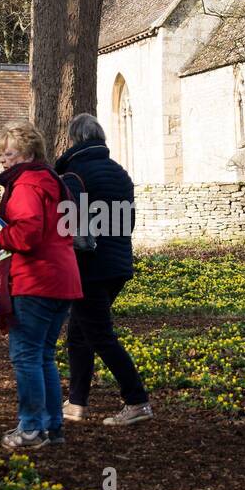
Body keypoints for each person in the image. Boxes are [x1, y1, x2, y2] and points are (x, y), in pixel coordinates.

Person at [54, 113, 153, 426]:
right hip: (118, 264)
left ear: (74, 139)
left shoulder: (74, 174)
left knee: (99, 335)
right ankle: (76, 402)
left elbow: (67, 225)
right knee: (80, 332)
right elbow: (129, 222)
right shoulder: (120, 173)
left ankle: (137, 401)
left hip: (87, 267)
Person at [0, 122, 82, 449]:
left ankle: (30, 429)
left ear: (27, 154)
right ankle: (52, 427)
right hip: (63, 279)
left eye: (9, 153)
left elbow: (26, 234)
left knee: (26, 356)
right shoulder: (53, 181)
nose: (3, 159)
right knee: (43, 355)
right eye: (0, 153)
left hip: (36, 280)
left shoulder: (27, 184)